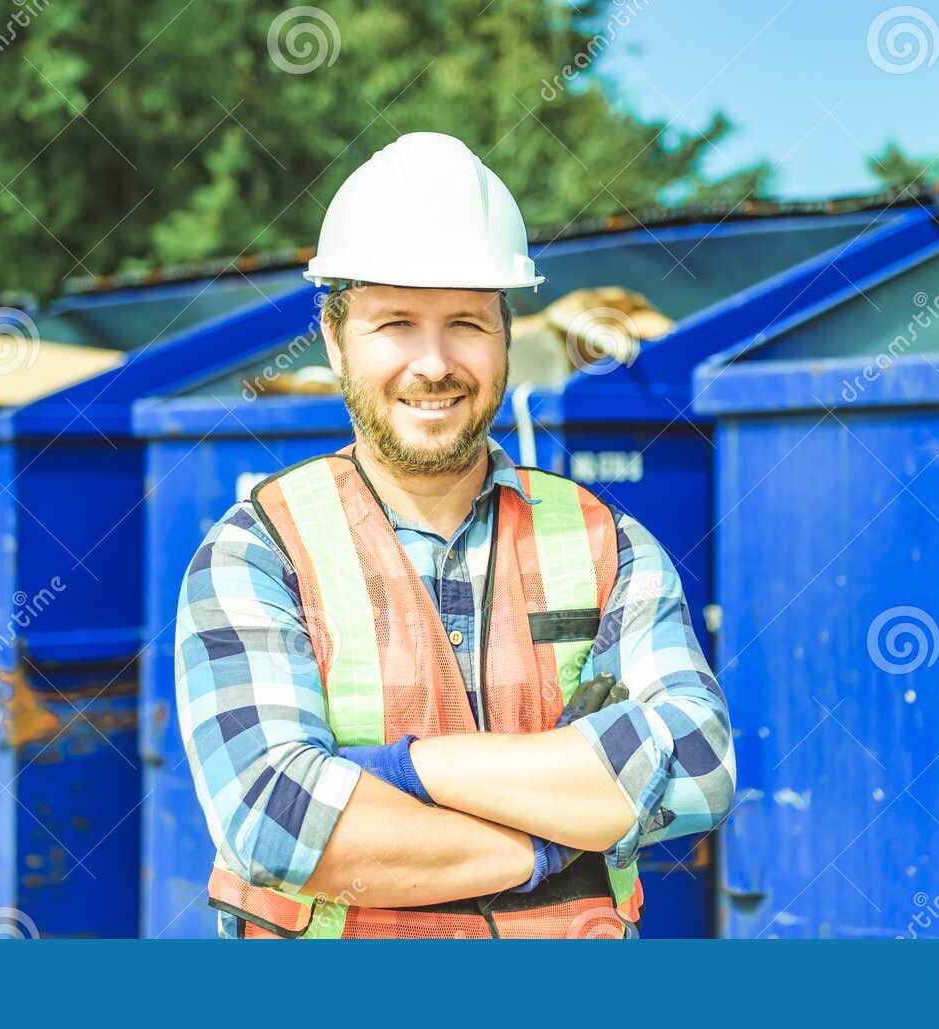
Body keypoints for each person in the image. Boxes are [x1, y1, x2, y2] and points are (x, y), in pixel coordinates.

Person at [176, 132, 735, 939]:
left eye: (467, 323)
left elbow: (700, 770)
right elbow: (278, 821)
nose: (434, 363)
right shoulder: (258, 552)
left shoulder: (607, 543)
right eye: (396, 322)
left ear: (506, 333)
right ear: (336, 342)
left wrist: (401, 771)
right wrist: (554, 841)